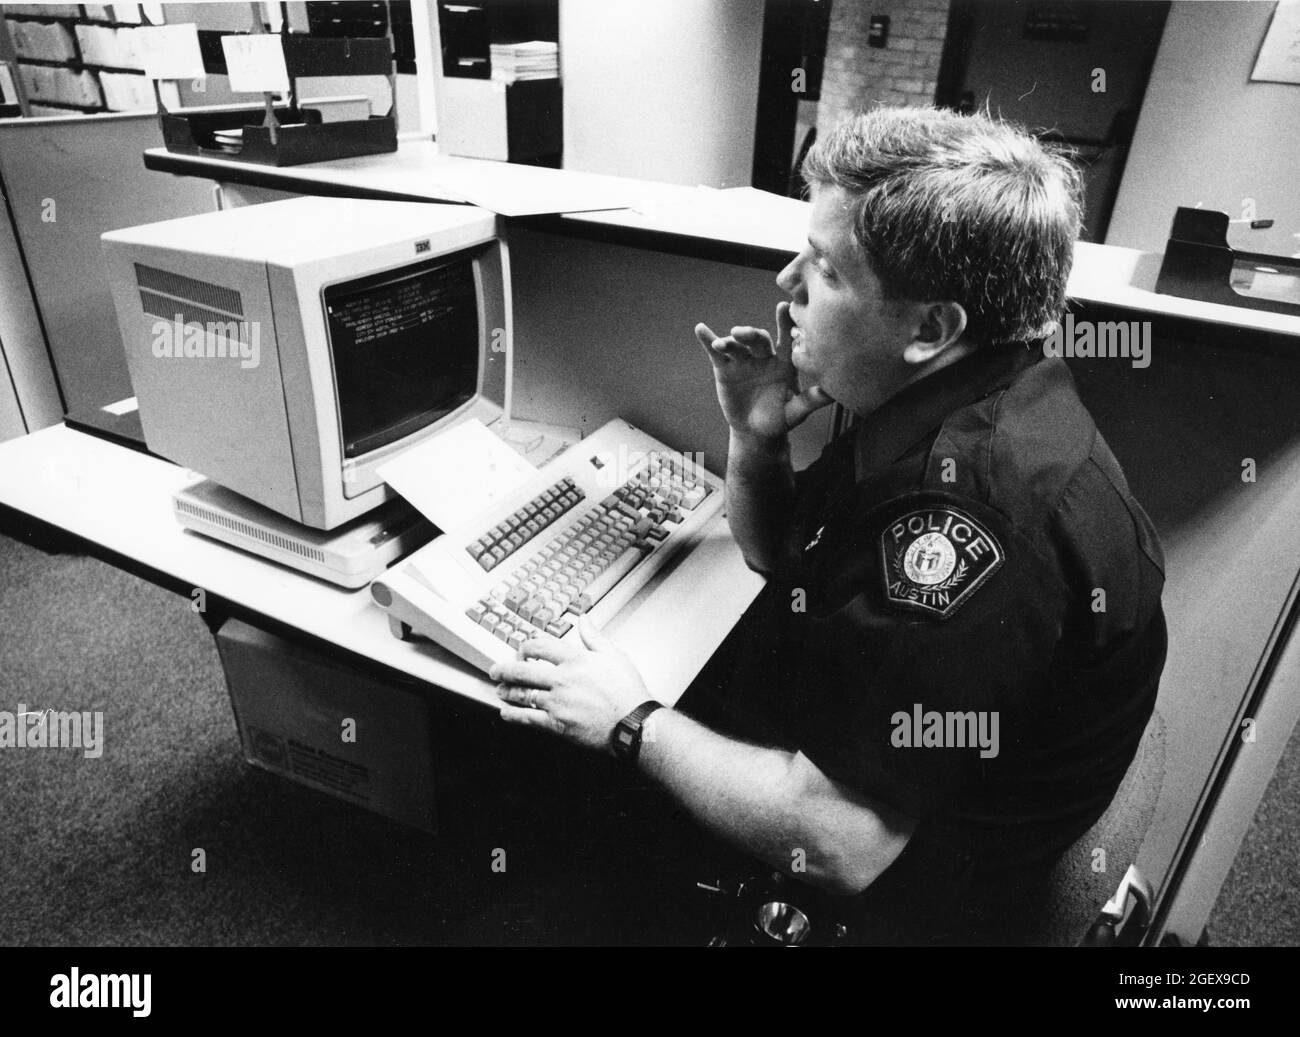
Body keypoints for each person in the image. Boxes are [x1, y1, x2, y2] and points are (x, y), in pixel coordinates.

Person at [489, 105, 1168, 945]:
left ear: (931, 328)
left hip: (875, 896)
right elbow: (777, 551)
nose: (785, 283)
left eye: (827, 269)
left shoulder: (966, 517)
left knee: (546, 780)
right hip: (856, 760)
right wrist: (755, 435)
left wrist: (633, 721)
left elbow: (841, 843)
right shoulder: (955, 401)